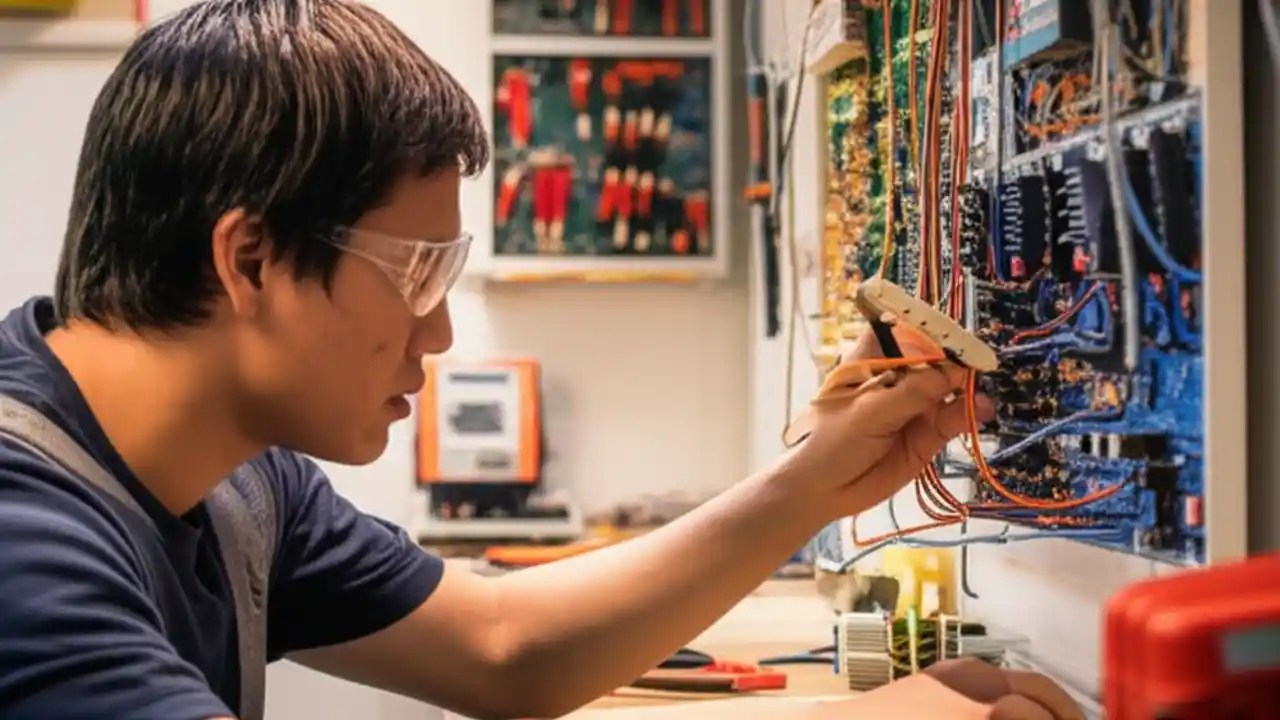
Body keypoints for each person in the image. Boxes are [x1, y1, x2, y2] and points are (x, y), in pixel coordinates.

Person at [0, 1, 1082, 718]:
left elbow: (502, 646)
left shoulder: (237, 484)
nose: (438, 334)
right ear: (249, 260)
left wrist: (809, 484)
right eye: (416, 272)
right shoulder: (25, 545)